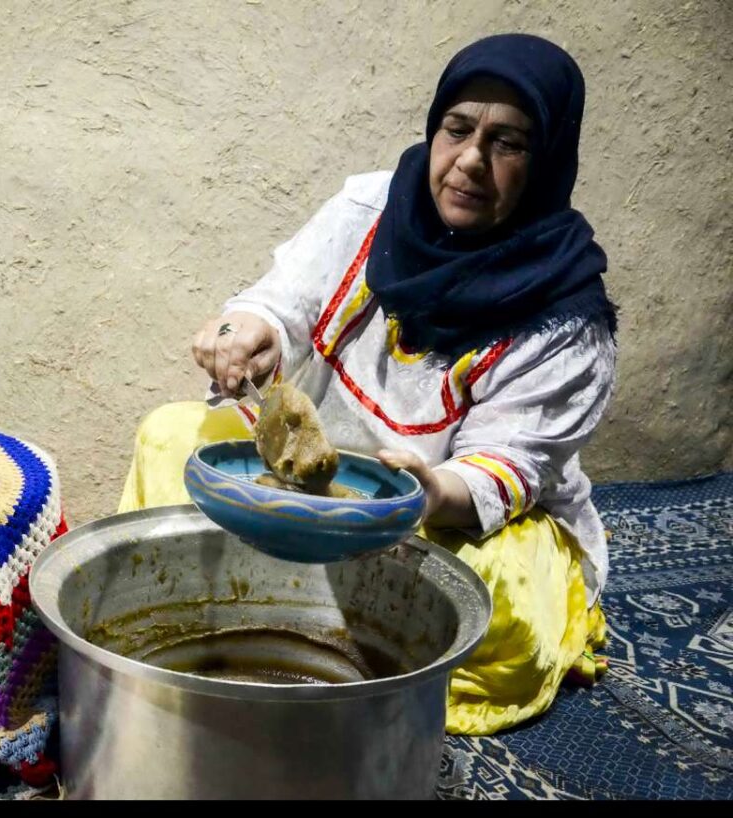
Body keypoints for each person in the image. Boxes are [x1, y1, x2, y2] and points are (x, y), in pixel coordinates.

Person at [118, 33, 618, 735]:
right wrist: (246, 332)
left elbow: (508, 466)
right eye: (458, 129)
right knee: (172, 437)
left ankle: (313, 614)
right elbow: (283, 300)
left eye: (509, 143)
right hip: (314, 485)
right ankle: (299, 602)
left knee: (507, 591)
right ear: (435, 126)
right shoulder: (370, 208)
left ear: (548, 161)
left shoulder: (564, 316)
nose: (470, 162)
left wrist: (426, 490)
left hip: (436, 514)